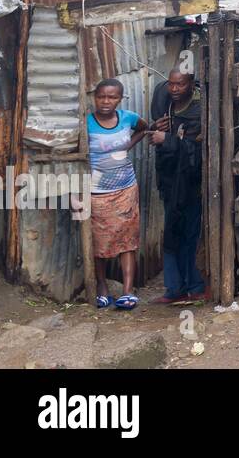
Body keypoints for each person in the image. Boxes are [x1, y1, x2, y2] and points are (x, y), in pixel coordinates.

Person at [87, 79, 152, 310]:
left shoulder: (128, 118)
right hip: (96, 192)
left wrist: (127, 146)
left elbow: (145, 128)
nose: (106, 101)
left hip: (126, 188)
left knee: (128, 239)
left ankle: (127, 292)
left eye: (112, 97)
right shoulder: (86, 123)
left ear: (119, 99)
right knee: (98, 242)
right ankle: (102, 288)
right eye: (102, 96)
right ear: (94, 97)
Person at [150, 66, 207, 303]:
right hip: (169, 181)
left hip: (191, 184)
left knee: (191, 235)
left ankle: (195, 286)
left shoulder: (199, 111)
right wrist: (157, 131)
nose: (174, 89)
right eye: (171, 84)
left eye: (180, 84)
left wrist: (168, 139)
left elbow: (198, 152)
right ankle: (174, 289)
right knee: (172, 235)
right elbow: (154, 131)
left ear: (191, 85)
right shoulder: (164, 101)